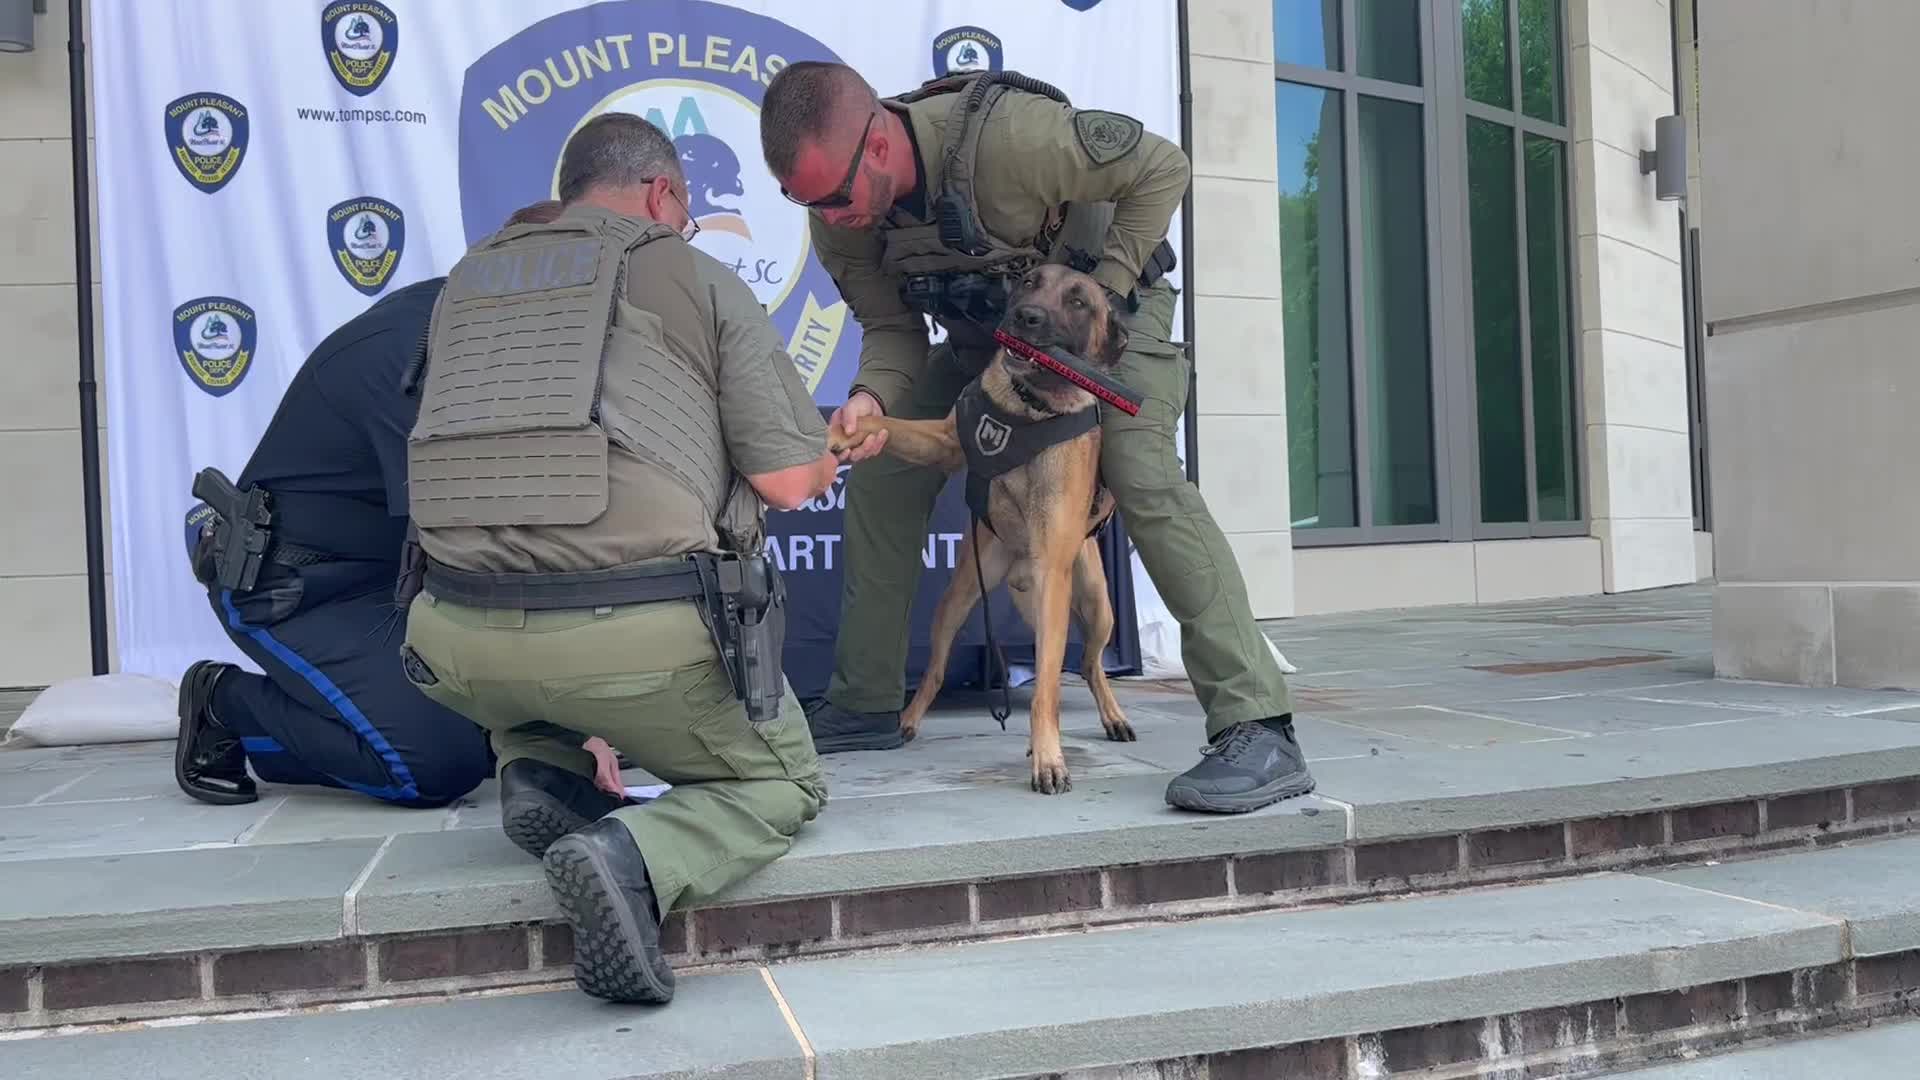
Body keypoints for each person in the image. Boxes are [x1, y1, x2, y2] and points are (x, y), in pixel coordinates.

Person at [757, 62, 1316, 815]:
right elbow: (891, 327)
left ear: (879, 147)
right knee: (885, 465)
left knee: (1139, 469)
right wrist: (869, 400)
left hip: (1099, 320)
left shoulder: (1008, 141)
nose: (825, 214)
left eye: (830, 196)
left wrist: (1106, 296)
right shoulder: (839, 215)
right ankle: (864, 704)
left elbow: (1163, 167)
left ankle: (1258, 722)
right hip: (994, 337)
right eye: (801, 199)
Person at [397, 112, 837, 1006]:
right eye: (683, 207)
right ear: (664, 193)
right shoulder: (689, 270)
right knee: (783, 778)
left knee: (543, 665)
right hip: (633, 644)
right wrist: (834, 448)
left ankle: (538, 764)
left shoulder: (468, 280)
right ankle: (630, 857)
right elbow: (790, 482)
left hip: (450, 644)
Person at [174, 199, 565, 810]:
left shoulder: (502, 338)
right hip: (296, 586)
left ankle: (342, 724)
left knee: (523, 738)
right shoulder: (419, 350)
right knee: (435, 767)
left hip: (392, 579)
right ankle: (227, 702)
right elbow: (471, 543)